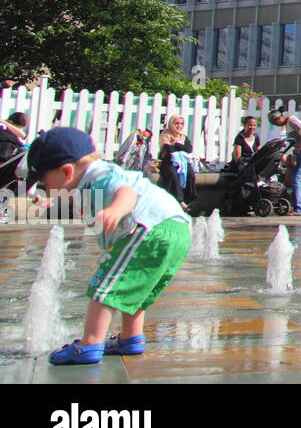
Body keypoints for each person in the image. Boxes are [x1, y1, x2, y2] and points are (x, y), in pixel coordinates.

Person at [29, 127, 190, 365]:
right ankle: (131, 338)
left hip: (148, 229)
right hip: (176, 229)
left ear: (66, 171)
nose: (44, 188)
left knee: (103, 286)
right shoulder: (92, 177)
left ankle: (90, 343)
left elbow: (125, 193)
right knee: (135, 289)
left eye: (44, 184)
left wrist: (115, 209)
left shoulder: (99, 176)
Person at [269, 108, 301, 215]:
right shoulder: (289, 123)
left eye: (276, 123)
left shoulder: (292, 121)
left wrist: (299, 146)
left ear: (279, 118)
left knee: (296, 178)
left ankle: (299, 209)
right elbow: (296, 136)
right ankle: (296, 206)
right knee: (291, 176)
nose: (277, 126)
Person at [156, 114, 196, 209]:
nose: (179, 126)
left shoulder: (183, 137)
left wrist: (176, 145)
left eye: (181, 124)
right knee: (173, 175)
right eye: (176, 123)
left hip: (183, 162)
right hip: (168, 162)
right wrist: (178, 146)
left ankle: (188, 198)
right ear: (171, 124)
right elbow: (167, 149)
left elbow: (189, 149)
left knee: (190, 174)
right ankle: (179, 200)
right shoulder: (165, 135)